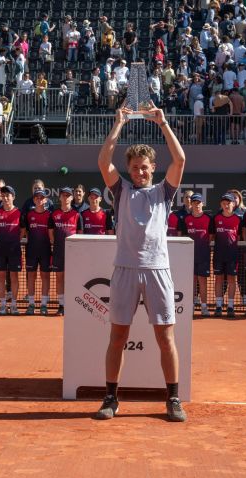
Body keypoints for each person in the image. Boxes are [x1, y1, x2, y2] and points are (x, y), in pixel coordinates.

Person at [95, 101, 188, 422]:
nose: (140, 171)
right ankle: (110, 398)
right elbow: (103, 160)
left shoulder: (165, 192)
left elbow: (181, 159)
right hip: (124, 271)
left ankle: (173, 399)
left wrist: (163, 123)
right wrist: (118, 123)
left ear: (152, 166)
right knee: (117, 337)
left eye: (145, 166)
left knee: (165, 338)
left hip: (158, 271)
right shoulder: (120, 191)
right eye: (134, 167)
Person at [50, 187, 83, 316]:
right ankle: (62, 305)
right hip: (58, 251)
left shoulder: (76, 215)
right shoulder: (54, 214)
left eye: (68, 195)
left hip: (73, 253)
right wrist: (56, 245)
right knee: (59, 278)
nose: (65, 197)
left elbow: (80, 234)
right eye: (63, 195)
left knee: (72, 279)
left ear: (71, 198)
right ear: (60, 198)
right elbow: (50, 233)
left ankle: (72, 304)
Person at [22, 188, 52, 315]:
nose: (39, 200)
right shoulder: (29, 215)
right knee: (31, 276)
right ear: (33, 199)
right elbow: (26, 233)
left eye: (42, 197)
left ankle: (44, 304)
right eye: (37, 197)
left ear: (45, 200)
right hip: (31, 251)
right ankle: (31, 304)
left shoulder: (50, 216)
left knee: (45, 276)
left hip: (45, 251)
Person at [182, 193, 214, 317]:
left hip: (203, 255)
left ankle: (204, 307)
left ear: (202, 204)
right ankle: (191, 306)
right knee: (192, 282)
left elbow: (211, 236)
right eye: (194, 202)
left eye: (199, 202)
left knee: (202, 281)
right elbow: (184, 237)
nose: (197, 205)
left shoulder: (208, 219)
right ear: (192, 204)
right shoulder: (186, 219)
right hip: (189, 256)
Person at [0, 185, 22, 314]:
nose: (5, 198)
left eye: (7, 195)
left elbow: (22, 231)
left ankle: (14, 305)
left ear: (13, 197)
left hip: (14, 250)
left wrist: (14, 241)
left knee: (14, 276)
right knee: (1, 277)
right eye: (3, 195)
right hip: (0, 250)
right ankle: (3, 305)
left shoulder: (19, 213)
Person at [212, 193, 241, 318]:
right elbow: (212, 236)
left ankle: (230, 306)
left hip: (232, 255)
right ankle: (218, 306)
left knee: (231, 280)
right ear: (221, 205)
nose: (226, 205)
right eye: (224, 203)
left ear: (233, 204)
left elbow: (240, 236)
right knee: (218, 279)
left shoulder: (239, 219)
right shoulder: (216, 218)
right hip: (219, 254)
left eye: (228, 203)